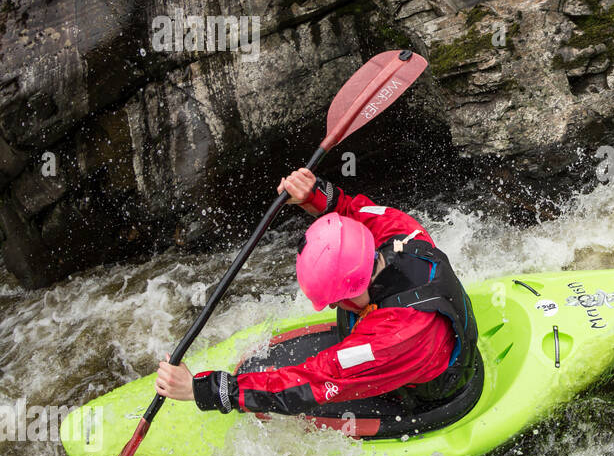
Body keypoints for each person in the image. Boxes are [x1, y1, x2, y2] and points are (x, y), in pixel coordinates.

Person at [154, 169, 481, 436]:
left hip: (425, 393)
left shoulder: (391, 339)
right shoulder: (399, 231)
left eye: (331, 301)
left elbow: (316, 382)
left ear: (351, 291)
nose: (326, 308)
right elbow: (352, 212)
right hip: (411, 343)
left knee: (317, 385)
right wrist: (315, 194)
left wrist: (206, 391)